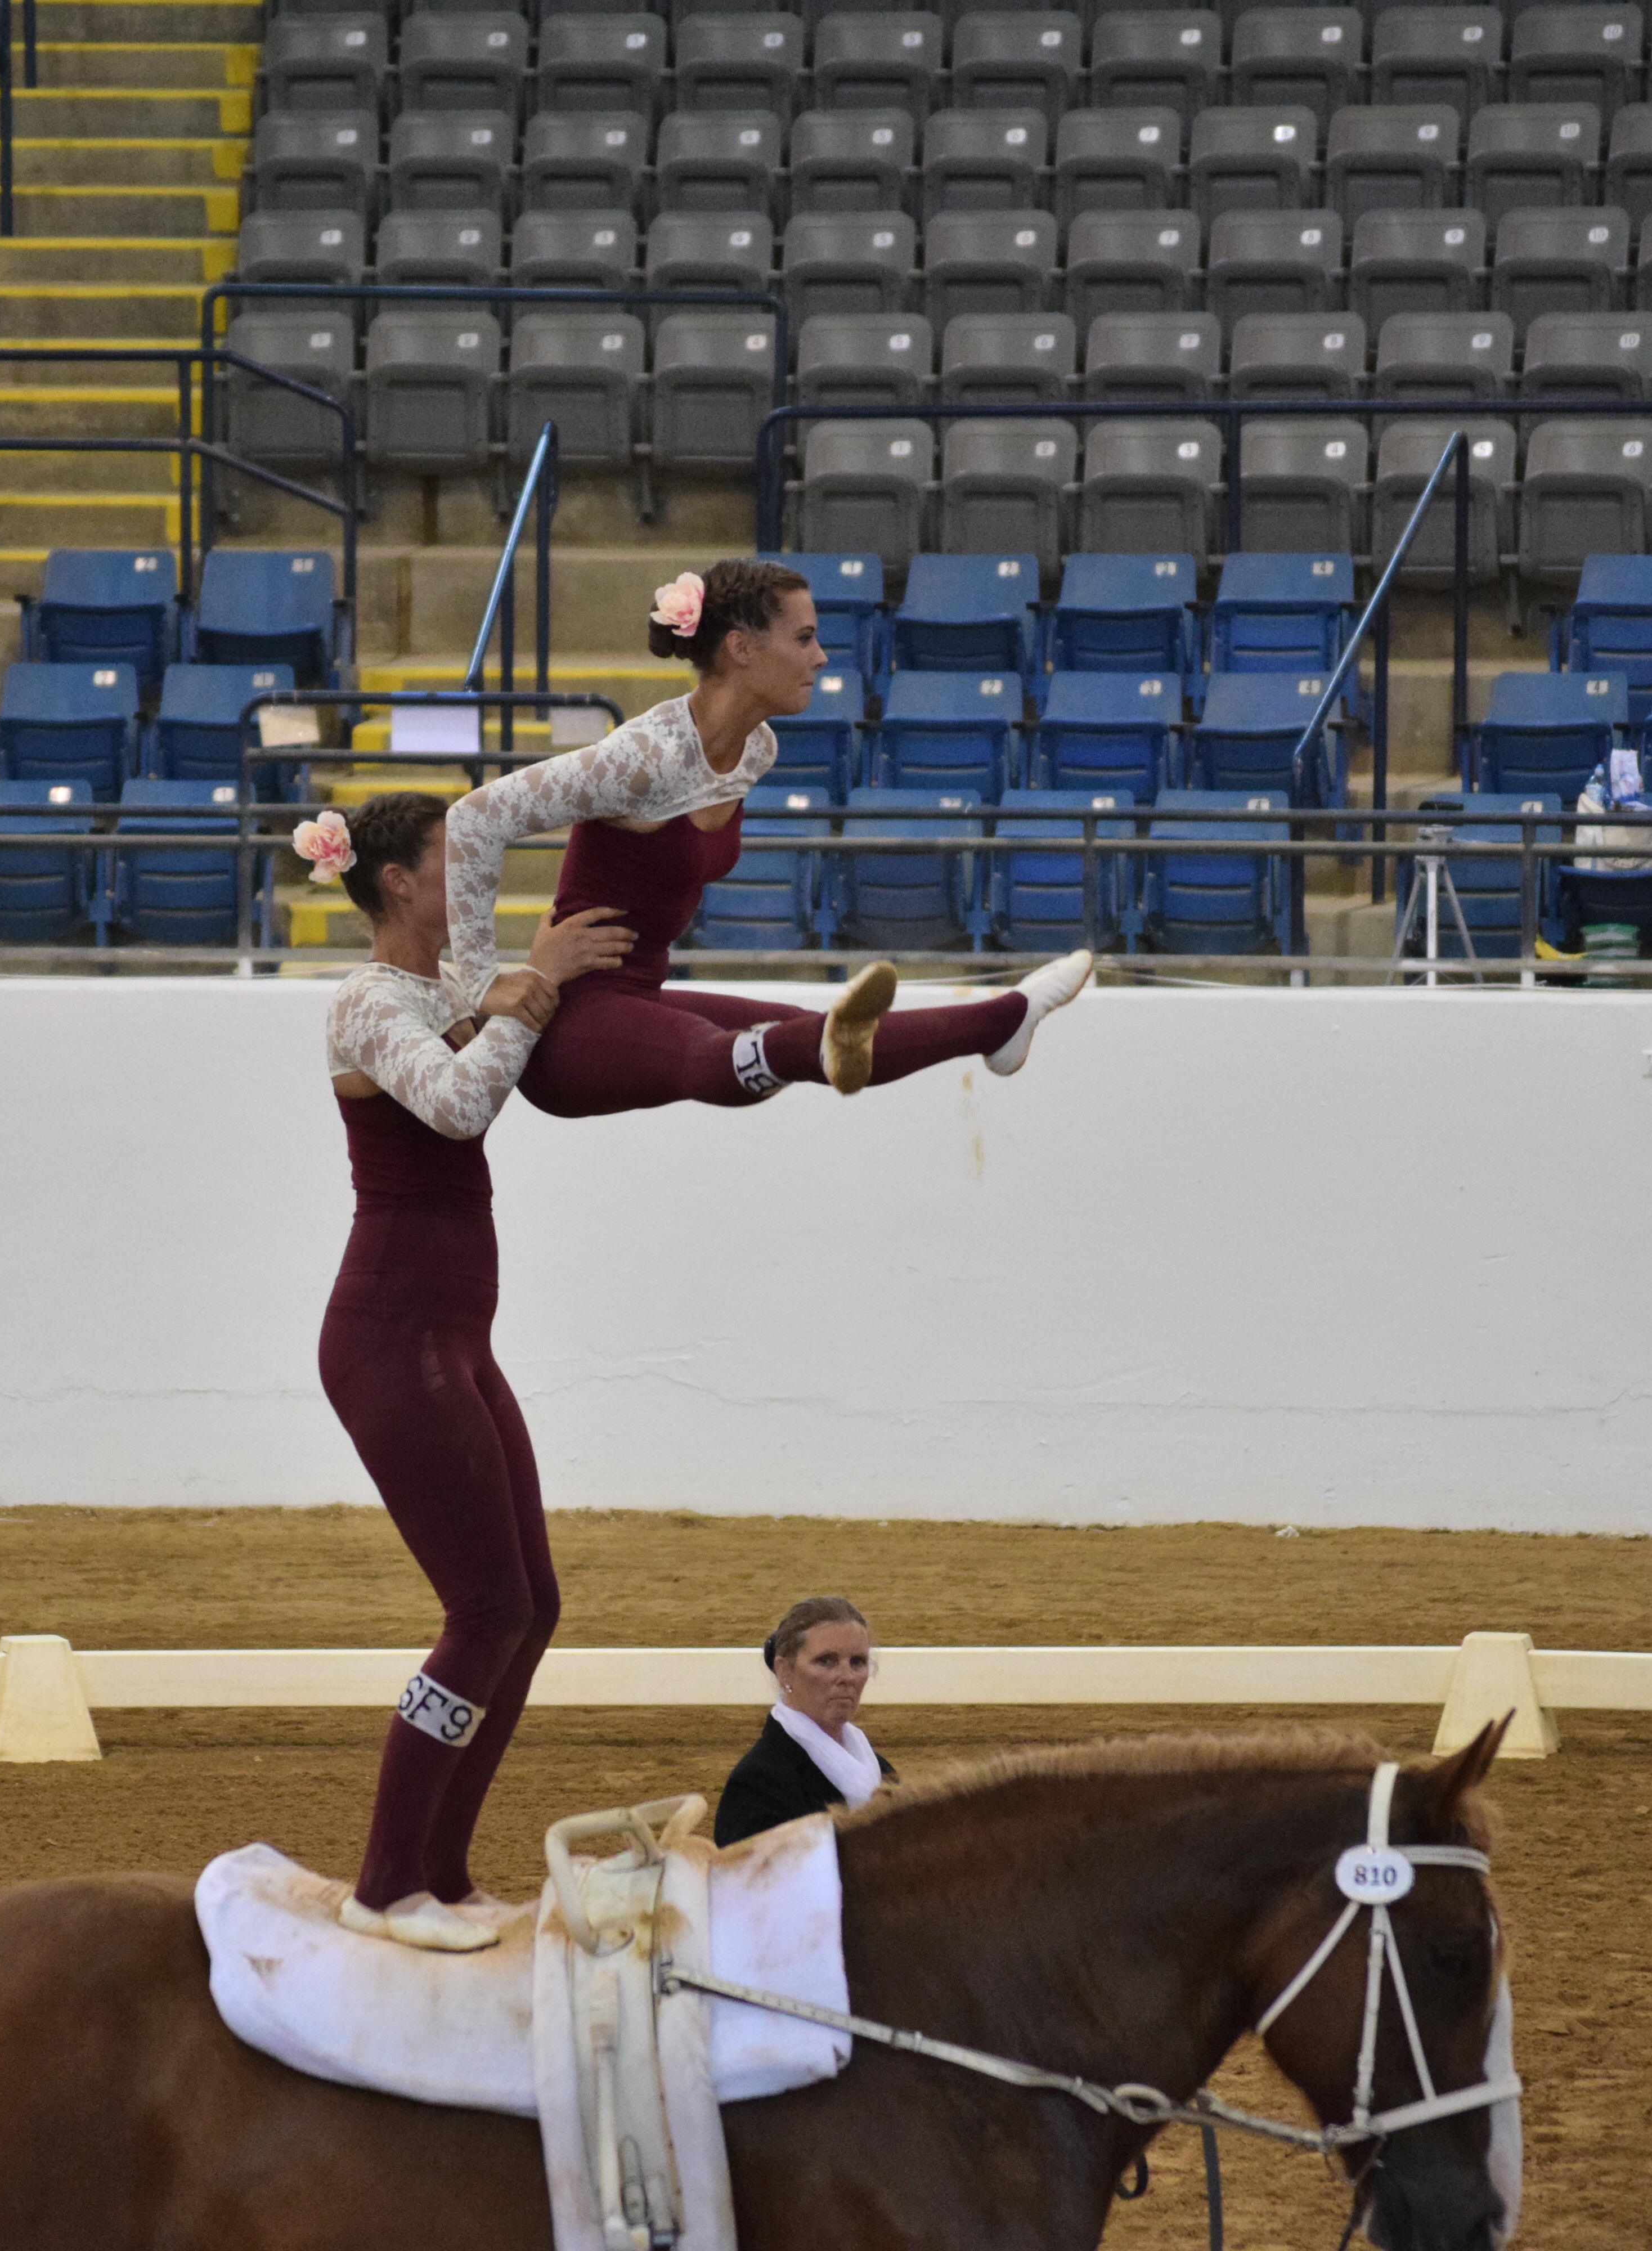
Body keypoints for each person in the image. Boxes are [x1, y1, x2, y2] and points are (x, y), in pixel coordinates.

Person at [304, 792, 632, 1951]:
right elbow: (456, 1104)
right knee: (485, 1605)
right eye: (454, 861)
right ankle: (387, 1877)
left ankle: (438, 1866)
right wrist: (533, 982)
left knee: (531, 1605)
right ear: (395, 881)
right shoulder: (364, 1002)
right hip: (396, 1334)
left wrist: (546, 979)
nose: (476, 881)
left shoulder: (438, 993)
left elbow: (497, 1029)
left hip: (446, 1333)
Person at [439, 561, 1096, 1119]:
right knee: (726, 1056)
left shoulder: (757, 749)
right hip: (571, 1031)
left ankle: (1000, 1027)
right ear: (741, 648)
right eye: (805, 638)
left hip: (639, 997)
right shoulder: (642, 759)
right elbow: (473, 820)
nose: (821, 657)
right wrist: (481, 983)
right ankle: (1006, 1014)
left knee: (814, 1032)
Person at [713, 1595, 895, 1846]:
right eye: (826, 1661)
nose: (847, 1677)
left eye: (857, 1662)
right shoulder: (757, 1785)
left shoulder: (883, 1772)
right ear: (784, 1671)